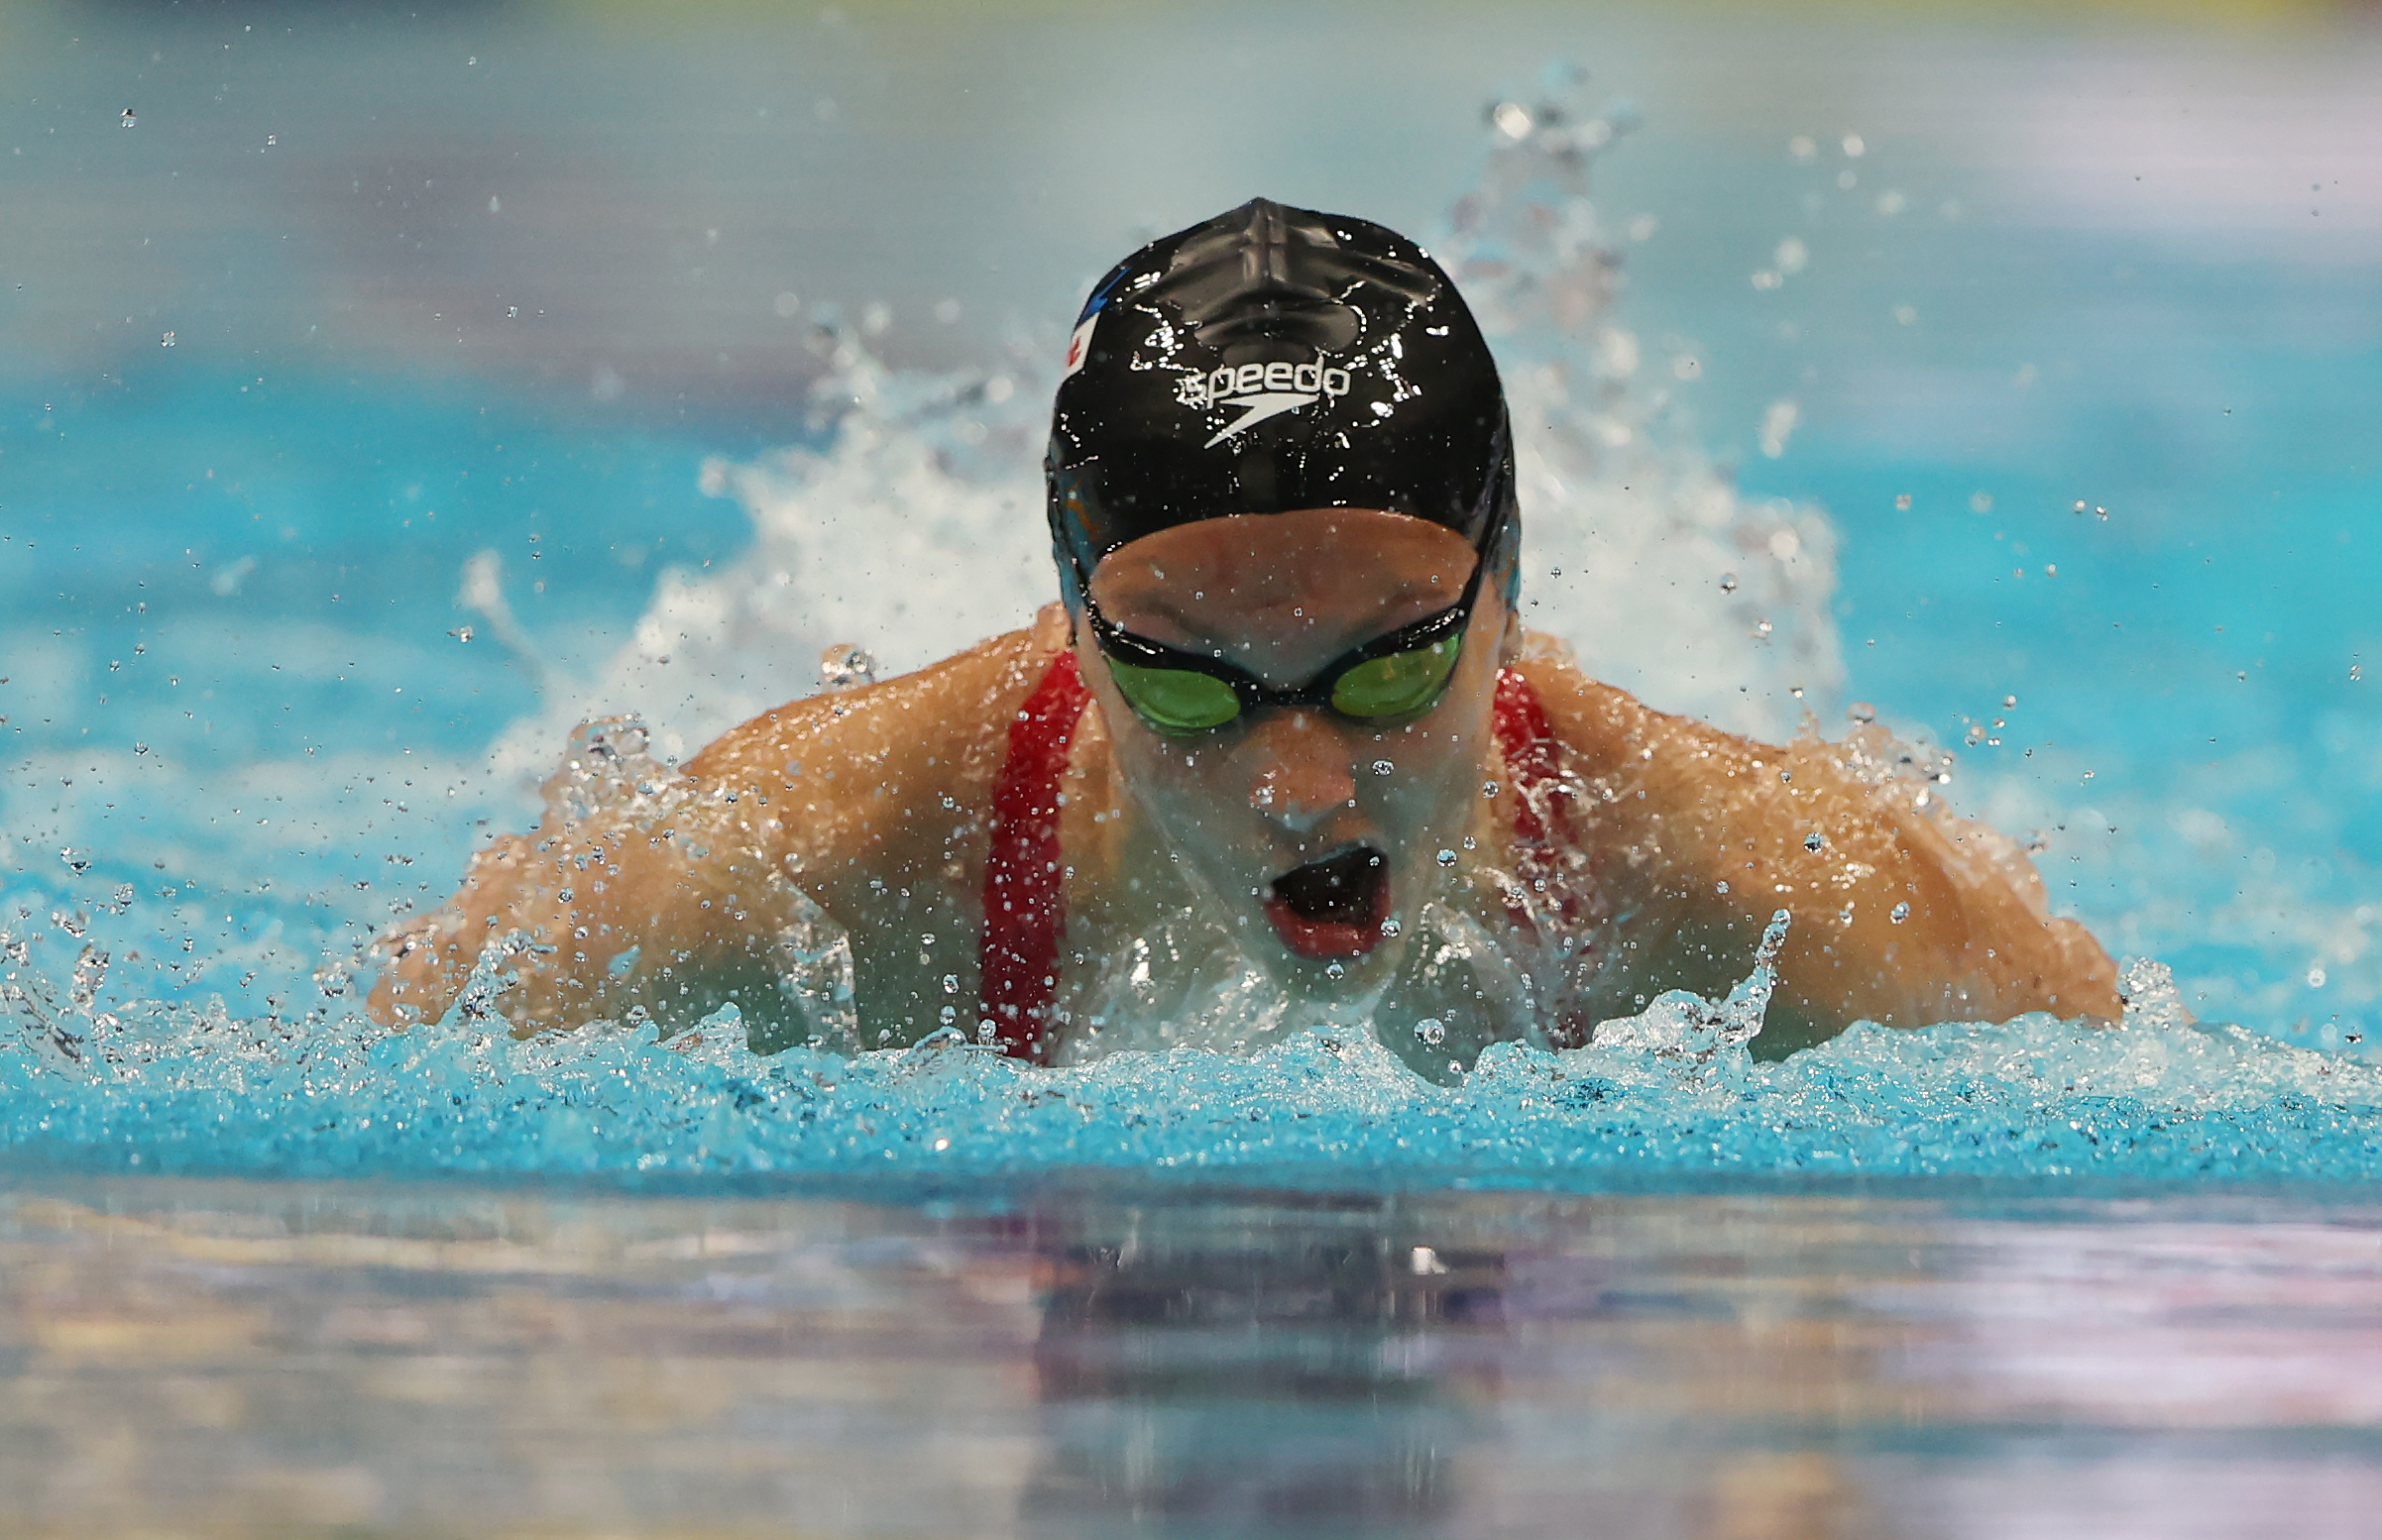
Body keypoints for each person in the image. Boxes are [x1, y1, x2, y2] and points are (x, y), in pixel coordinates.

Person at [370, 198, 2117, 1069]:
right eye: (1186, 684)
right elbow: (404, 1067)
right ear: (1071, 628)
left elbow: (2099, 1068)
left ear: (1510, 597)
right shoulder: (789, 874)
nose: (1298, 782)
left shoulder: (1772, 897)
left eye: (1390, 668)